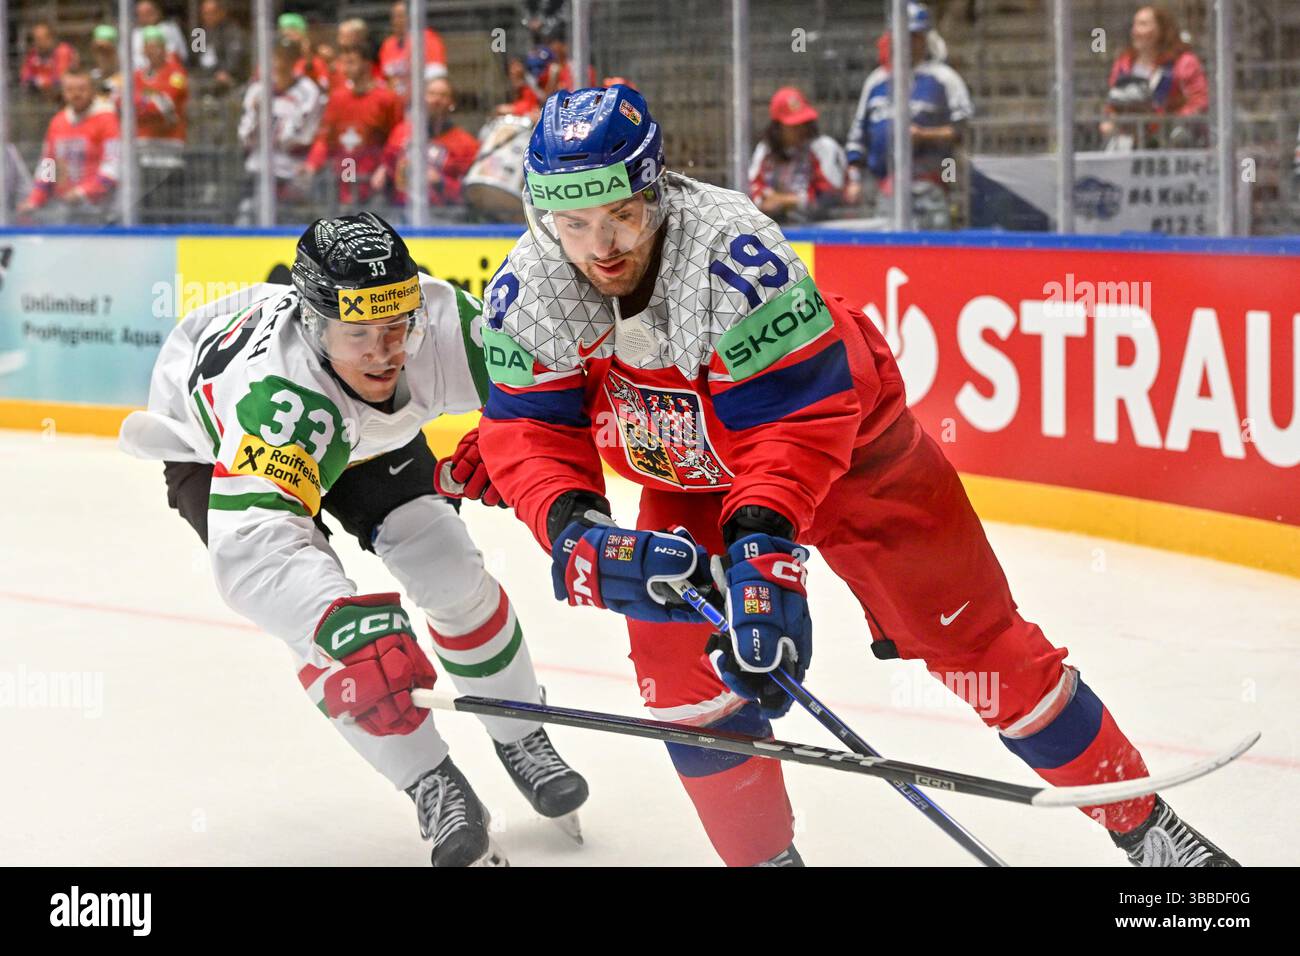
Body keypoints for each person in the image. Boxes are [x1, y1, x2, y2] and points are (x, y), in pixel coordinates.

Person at [474, 84, 1239, 868]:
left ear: (658, 191)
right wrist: (569, 523)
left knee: (978, 646)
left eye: (623, 218)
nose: (601, 247)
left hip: (857, 454)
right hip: (694, 478)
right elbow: (529, 424)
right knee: (681, 681)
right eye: (574, 224)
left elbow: (793, 424)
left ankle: (1148, 830)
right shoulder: (531, 283)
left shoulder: (733, 252)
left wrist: (763, 553)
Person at [118, 212, 590, 866]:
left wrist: (510, 430)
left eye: (396, 325)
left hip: (367, 440)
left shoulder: (442, 319)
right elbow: (255, 556)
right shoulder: (277, 402)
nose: (384, 351)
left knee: (447, 567)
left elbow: (546, 389)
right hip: (220, 453)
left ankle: (520, 731)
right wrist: (339, 624)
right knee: (337, 650)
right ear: (313, 328)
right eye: (358, 333)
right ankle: (431, 779)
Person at [845, 2, 972, 229]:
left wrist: (925, 135)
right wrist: (854, 180)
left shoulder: (944, 78)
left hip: (931, 188)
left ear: (924, 38)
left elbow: (963, 129)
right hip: (886, 189)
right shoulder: (876, 81)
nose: (907, 42)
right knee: (886, 253)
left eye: (914, 35)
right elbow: (857, 136)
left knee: (932, 252)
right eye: (902, 34)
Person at [304, 46, 403, 210]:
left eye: (351, 63)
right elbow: (325, 138)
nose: (345, 68)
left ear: (367, 65)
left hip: (376, 185)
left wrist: (386, 167)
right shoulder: (337, 98)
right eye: (344, 63)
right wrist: (312, 164)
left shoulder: (387, 99)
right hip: (342, 182)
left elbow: (397, 138)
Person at [236, 39, 324, 222]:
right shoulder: (257, 89)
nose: (279, 63)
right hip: (257, 167)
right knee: (245, 216)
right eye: (276, 57)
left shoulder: (308, 91)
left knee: (289, 222)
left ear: (294, 61)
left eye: (285, 57)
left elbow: (303, 136)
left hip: (291, 170)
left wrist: (278, 136)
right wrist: (259, 119)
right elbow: (244, 135)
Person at [1100, 4, 1209, 150]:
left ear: (1161, 29)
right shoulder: (1124, 63)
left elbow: (1199, 101)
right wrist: (1110, 120)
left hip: (1169, 142)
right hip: (1130, 141)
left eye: (1143, 24)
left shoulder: (1183, 62)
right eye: (1135, 25)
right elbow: (1114, 100)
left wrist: (1172, 121)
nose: (1135, 31)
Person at [17, 70, 120, 224]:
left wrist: (81, 192)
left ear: (92, 90)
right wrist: (34, 200)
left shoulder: (107, 119)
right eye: (70, 90)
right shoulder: (57, 122)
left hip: (102, 213)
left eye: (81, 89)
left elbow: (113, 168)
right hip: (66, 211)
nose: (76, 94)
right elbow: (47, 166)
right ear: (63, 92)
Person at [373, 77, 480, 212]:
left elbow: (472, 193)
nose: (436, 100)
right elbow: (388, 164)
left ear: (451, 103)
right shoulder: (401, 131)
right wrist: (383, 171)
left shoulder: (467, 144)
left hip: (444, 215)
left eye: (443, 95)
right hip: (400, 211)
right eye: (431, 94)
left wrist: (441, 182)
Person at [749, 87, 847, 223]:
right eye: (794, 126)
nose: (801, 130)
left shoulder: (822, 147)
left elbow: (828, 196)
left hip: (821, 228)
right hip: (775, 228)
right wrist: (764, 202)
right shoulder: (765, 150)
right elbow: (754, 191)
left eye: (804, 123)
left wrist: (784, 200)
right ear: (778, 127)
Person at [134, 26, 189, 222]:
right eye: (148, 46)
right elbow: (125, 102)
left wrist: (143, 102)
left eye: (156, 46)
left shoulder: (176, 73)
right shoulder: (138, 74)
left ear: (164, 48)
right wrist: (149, 101)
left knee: (169, 201)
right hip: (143, 146)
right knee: (145, 201)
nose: (152, 50)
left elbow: (166, 103)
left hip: (170, 145)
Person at [379, 1, 448, 102]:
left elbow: (437, 76)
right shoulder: (387, 45)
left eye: (401, 16)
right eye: (394, 17)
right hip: (397, 104)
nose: (397, 21)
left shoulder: (428, 38)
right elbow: (386, 79)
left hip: (422, 104)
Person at [192, 0, 249, 96]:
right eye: (205, 13)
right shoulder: (199, 34)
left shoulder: (233, 32)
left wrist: (226, 71)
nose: (208, 16)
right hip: (206, 79)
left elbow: (235, 58)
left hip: (230, 80)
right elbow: (195, 60)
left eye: (212, 12)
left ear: (222, 12)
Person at [20, 22, 79, 101]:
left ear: (51, 38)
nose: (38, 42)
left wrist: (40, 81)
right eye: (35, 39)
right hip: (38, 98)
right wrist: (40, 82)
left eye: (41, 38)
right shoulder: (32, 54)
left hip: (62, 98)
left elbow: (60, 79)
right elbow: (25, 78)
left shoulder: (63, 51)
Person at [279, 12, 331, 91]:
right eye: (284, 36)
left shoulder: (316, 61)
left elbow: (323, 85)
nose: (287, 39)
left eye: (291, 31)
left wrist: (309, 65)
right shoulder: (278, 62)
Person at [133, 0, 188, 70]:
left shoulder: (170, 29)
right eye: (141, 14)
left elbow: (179, 56)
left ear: (158, 12)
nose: (145, 17)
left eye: (149, 13)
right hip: (137, 75)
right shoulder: (134, 34)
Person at [88, 24, 124, 106]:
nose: (101, 55)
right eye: (97, 50)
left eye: (106, 51)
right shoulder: (91, 78)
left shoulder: (127, 79)